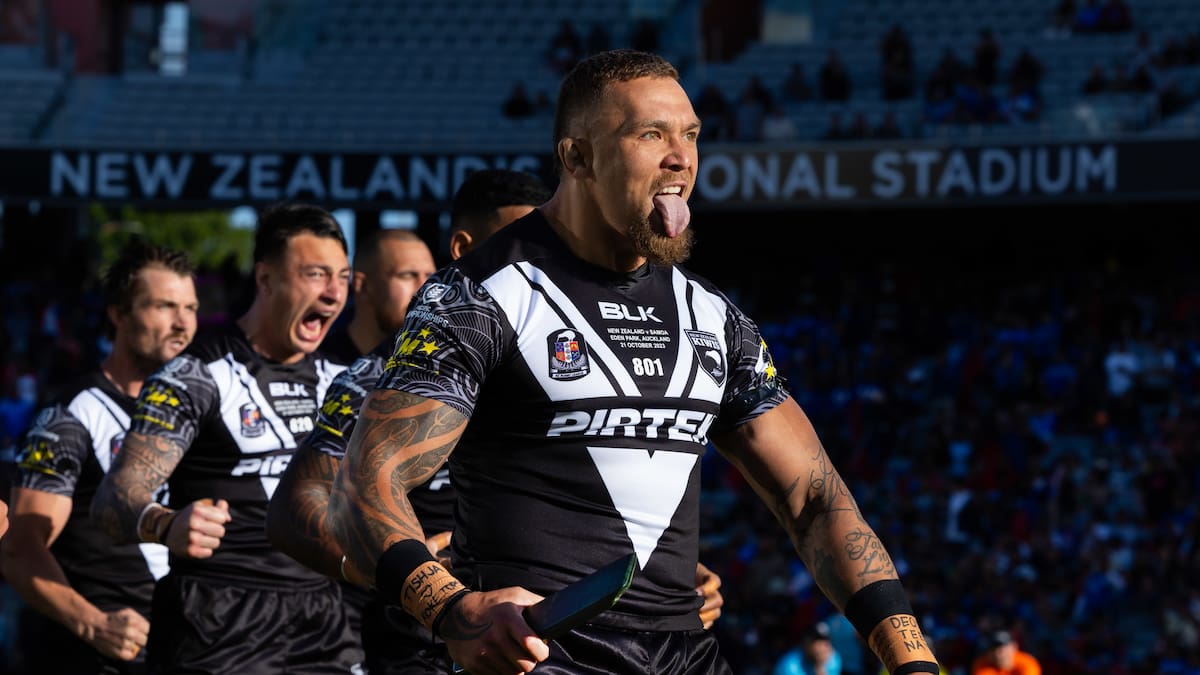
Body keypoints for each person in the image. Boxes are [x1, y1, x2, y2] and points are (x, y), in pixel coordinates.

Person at [328, 49, 941, 675]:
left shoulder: (712, 314)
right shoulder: (481, 295)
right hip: (542, 653)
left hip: (687, 655)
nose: (681, 157)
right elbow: (365, 481)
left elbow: (812, 495)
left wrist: (909, 656)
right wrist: (453, 609)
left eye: (691, 135)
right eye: (651, 135)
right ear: (577, 158)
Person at [269, 169, 552, 673]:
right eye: (520, 245)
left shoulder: (565, 366)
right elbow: (294, 510)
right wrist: (416, 578)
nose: (536, 265)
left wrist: (666, 582)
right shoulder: (380, 374)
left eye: (547, 247)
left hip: (547, 639)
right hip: (425, 649)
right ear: (465, 248)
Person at [90, 203, 362, 674]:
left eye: (342, 275)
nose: (334, 292)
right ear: (265, 279)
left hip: (323, 619)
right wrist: (164, 523)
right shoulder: (194, 376)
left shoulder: (344, 381)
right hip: (217, 620)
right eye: (316, 274)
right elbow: (113, 500)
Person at [1, 240, 197, 675]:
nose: (182, 323)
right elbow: (20, 548)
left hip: (190, 650)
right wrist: (93, 624)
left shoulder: (201, 408)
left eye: (191, 307)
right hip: (99, 658)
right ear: (118, 314)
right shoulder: (71, 414)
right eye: (165, 306)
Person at [320, 228, 438, 364]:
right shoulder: (317, 373)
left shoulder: (443, 369)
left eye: (431, 277)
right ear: (362, 286)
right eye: (407, 275)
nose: (425, 289)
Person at [774, 621, 842, 675]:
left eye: (826, 642)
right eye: (819, 643)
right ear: (806, 643)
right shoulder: (790, 665)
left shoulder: (833, 658)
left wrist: (820, 668)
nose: (824, 648)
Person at [970, 631, 1041, 675]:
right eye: (994, 649)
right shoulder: (982, 664)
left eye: (1003, 648)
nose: (999, 653)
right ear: (988, 653)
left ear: (1014, 647)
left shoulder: (1027, 662)